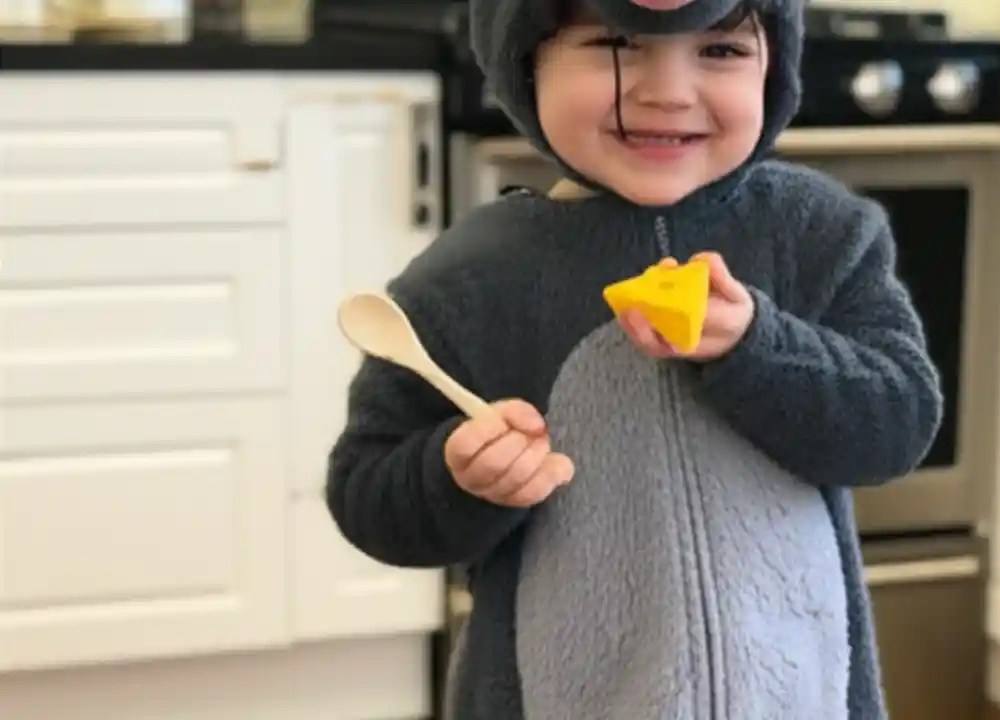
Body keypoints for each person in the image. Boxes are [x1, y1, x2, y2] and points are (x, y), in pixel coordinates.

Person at [325, 0, 943, 717]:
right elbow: (367, 495)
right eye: (616, 43)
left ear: (774, 65)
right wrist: (458, 476)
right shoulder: (470, 279)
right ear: (526, 61)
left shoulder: (823, 236)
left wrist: (760, 349)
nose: (668, 92)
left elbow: (900, 422)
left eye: (720, 52)